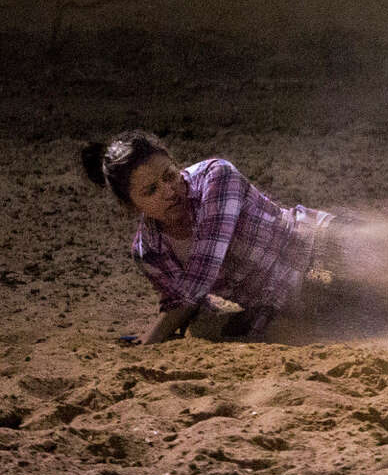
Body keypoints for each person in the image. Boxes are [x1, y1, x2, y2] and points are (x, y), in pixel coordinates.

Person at [82, 130, 343, 344]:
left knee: (359, 278)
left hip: (323, 251)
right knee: (204, 327)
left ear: (176, 164)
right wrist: (178, 321)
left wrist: (156, 333)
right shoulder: (148, 251)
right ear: (132, 206)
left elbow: (201, 273)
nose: (169, 191)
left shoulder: (216, 176)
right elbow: (180, 302)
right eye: (151, 191)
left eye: (169, 176)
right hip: (283, 304)